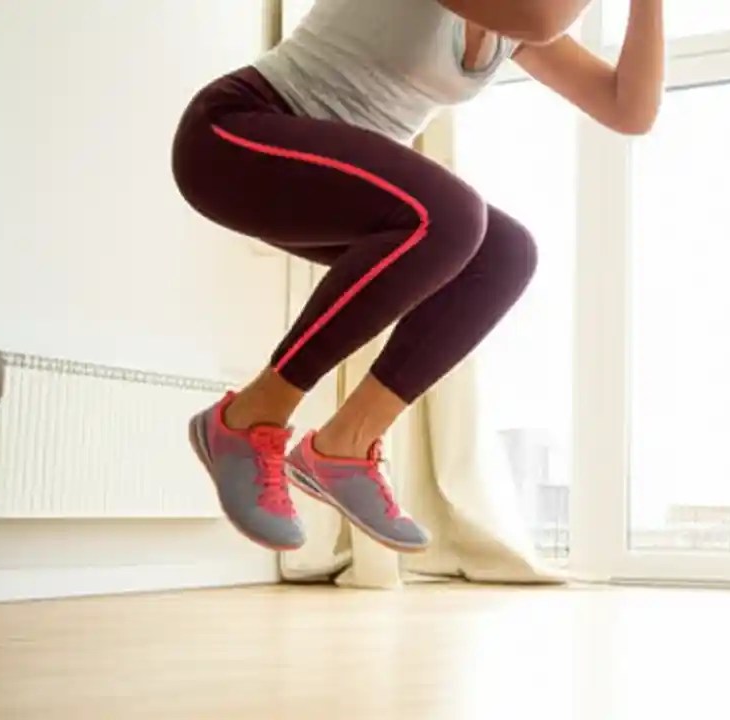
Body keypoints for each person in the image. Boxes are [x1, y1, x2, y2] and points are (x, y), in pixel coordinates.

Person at [173, 0, 665, 553]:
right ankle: (249, 418)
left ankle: (345, 445)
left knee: (504, 253)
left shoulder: (513, 30)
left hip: (329, 187)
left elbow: (630, 109)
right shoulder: (525, 17)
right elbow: (541, 18)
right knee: (451, 216)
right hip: (232, 137)